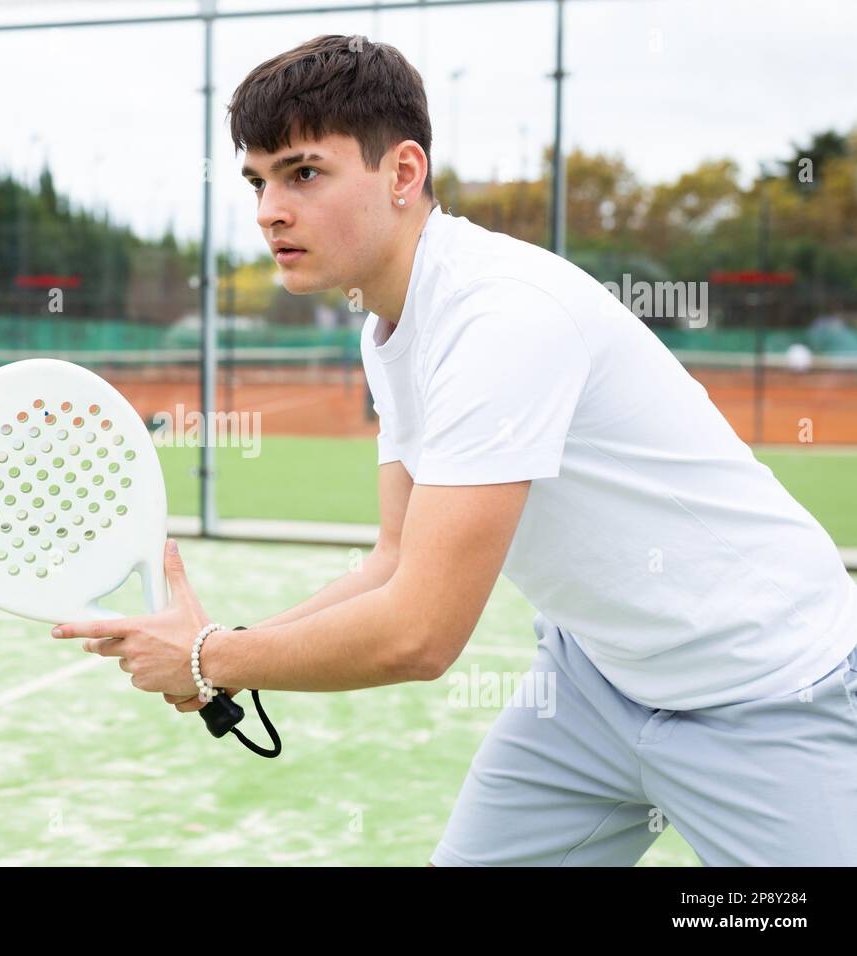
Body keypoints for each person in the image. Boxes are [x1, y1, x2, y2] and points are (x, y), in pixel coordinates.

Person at [50, 35, 857, 866]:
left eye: (303, 173)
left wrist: (204, 656)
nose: (268, 211)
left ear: (403, 173)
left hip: (769, 691)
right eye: (258, 181)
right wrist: (221, 655)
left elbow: (421, 634)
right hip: (594, 685)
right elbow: (394, 561)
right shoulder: (387, 323)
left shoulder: (503, 315)